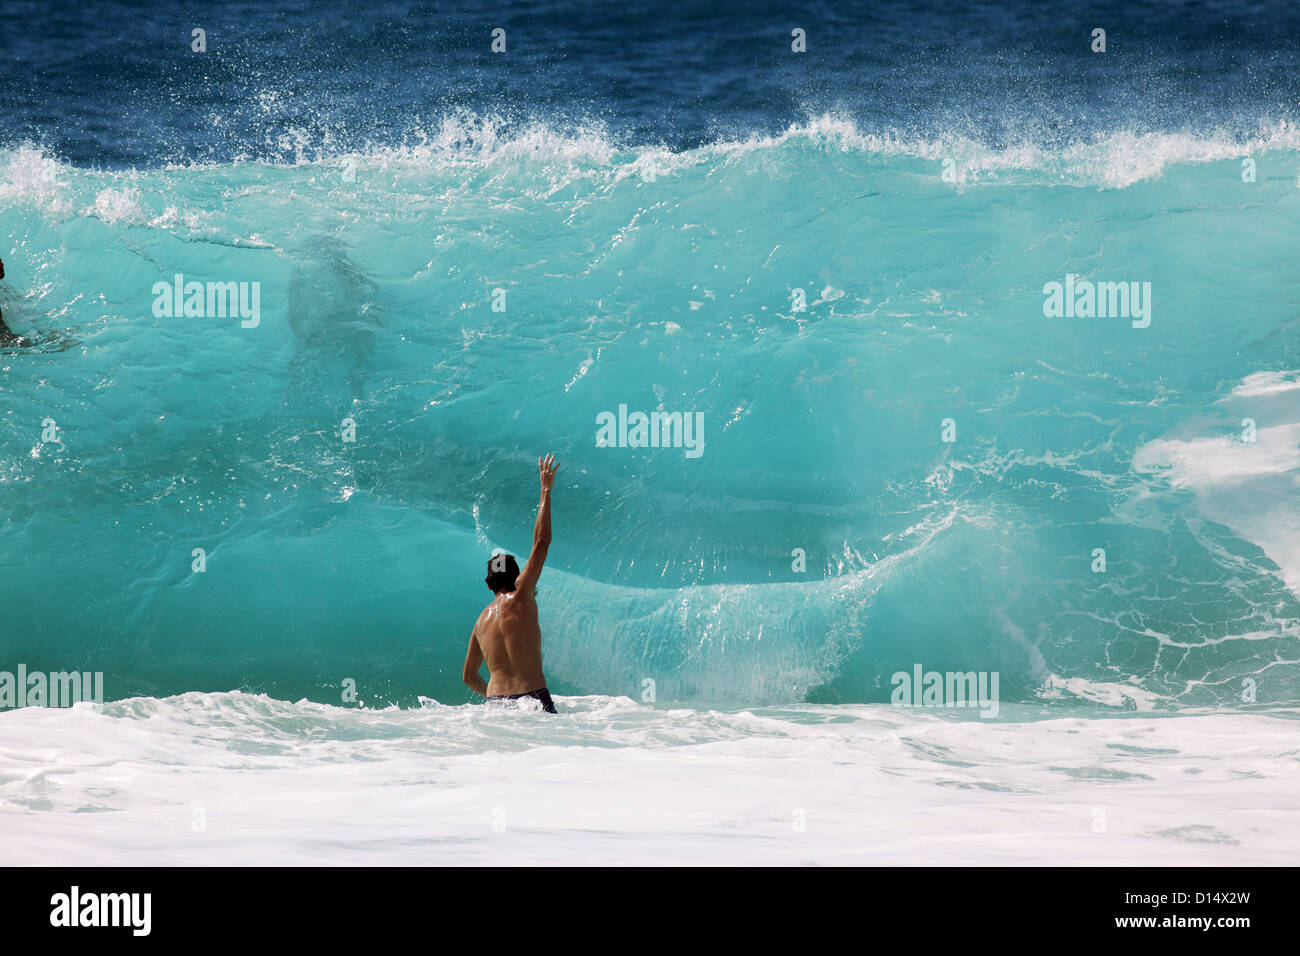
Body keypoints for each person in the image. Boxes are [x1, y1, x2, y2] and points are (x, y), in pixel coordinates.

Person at [462, 454, 560, 713]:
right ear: (517, 577)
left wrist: (500, 705)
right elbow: (541, 543)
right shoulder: (521, 594)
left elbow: (469, 676)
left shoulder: (480, 623)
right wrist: (545, 490)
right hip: (533, 700)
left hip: (496, 705)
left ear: (488, 584)